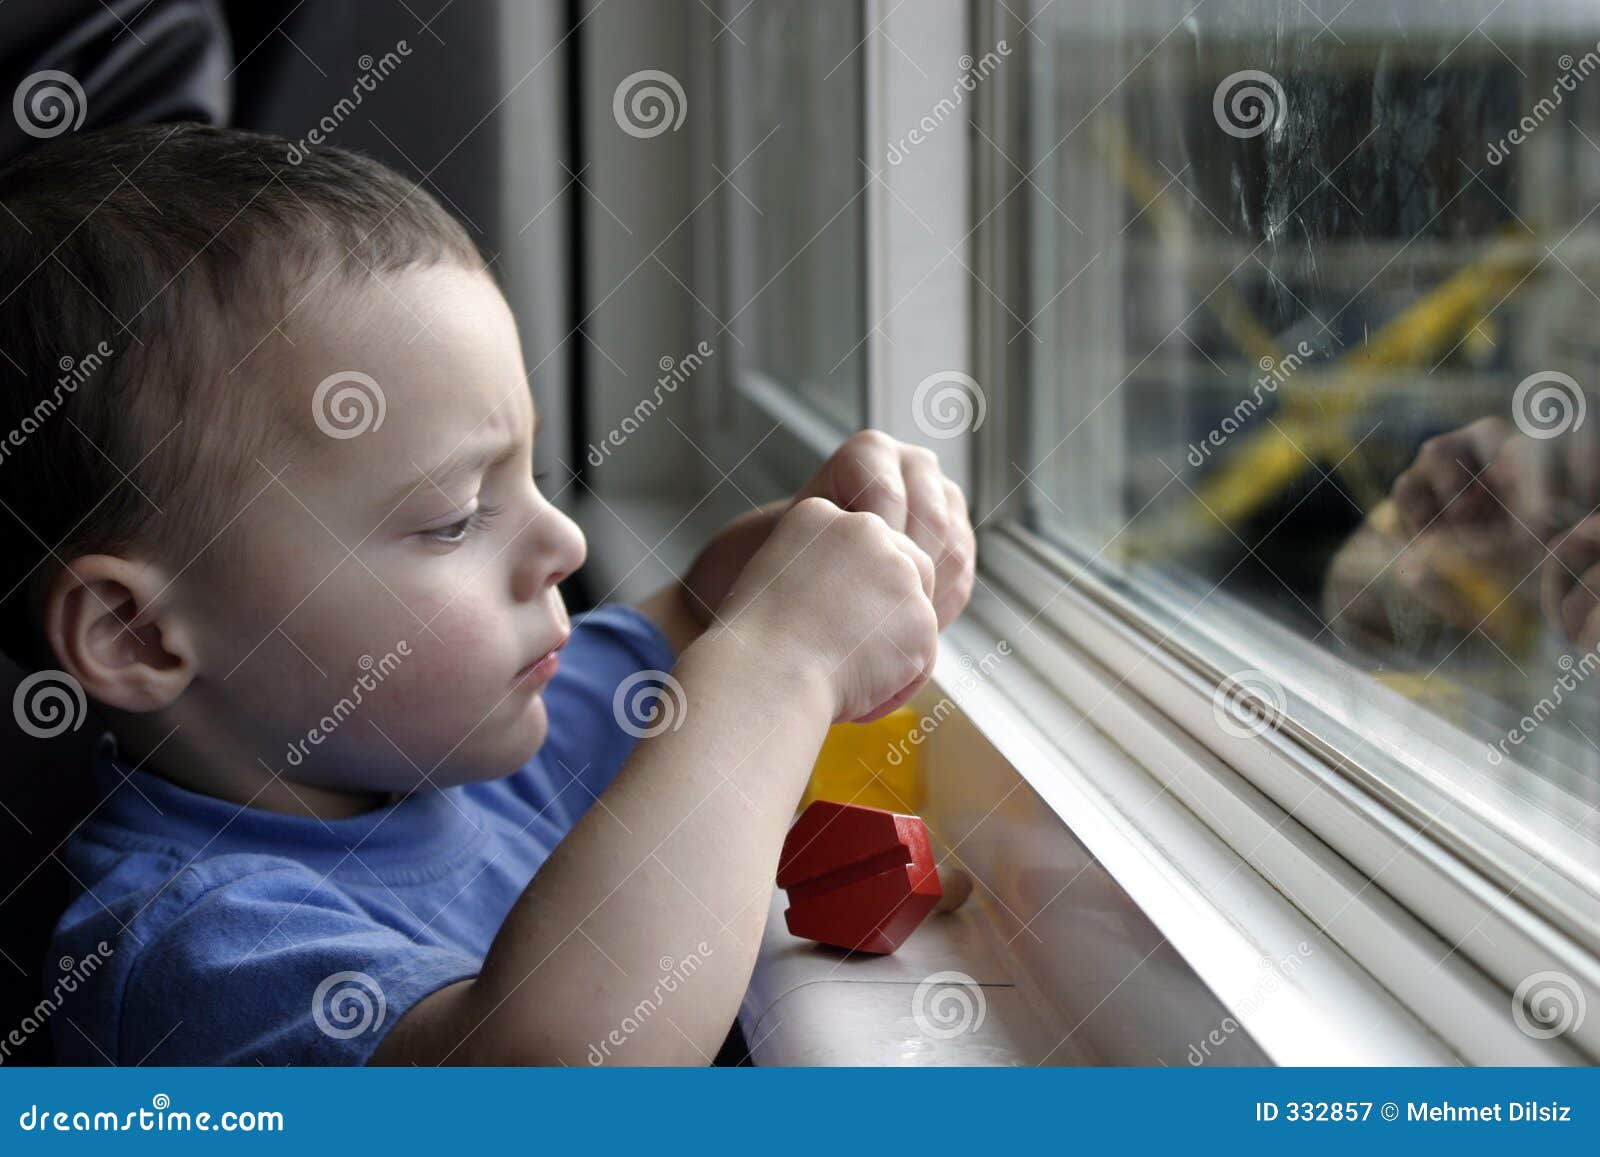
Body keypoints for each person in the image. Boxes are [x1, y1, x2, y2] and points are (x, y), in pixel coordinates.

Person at [0, 123, 975, 1064]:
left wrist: (834, 530)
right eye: (458, 515)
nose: (563, 539)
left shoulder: (469, 731)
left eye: (532, 474)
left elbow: (690, 623)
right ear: (137, 633)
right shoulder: (192, 953)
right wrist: (781, 665)